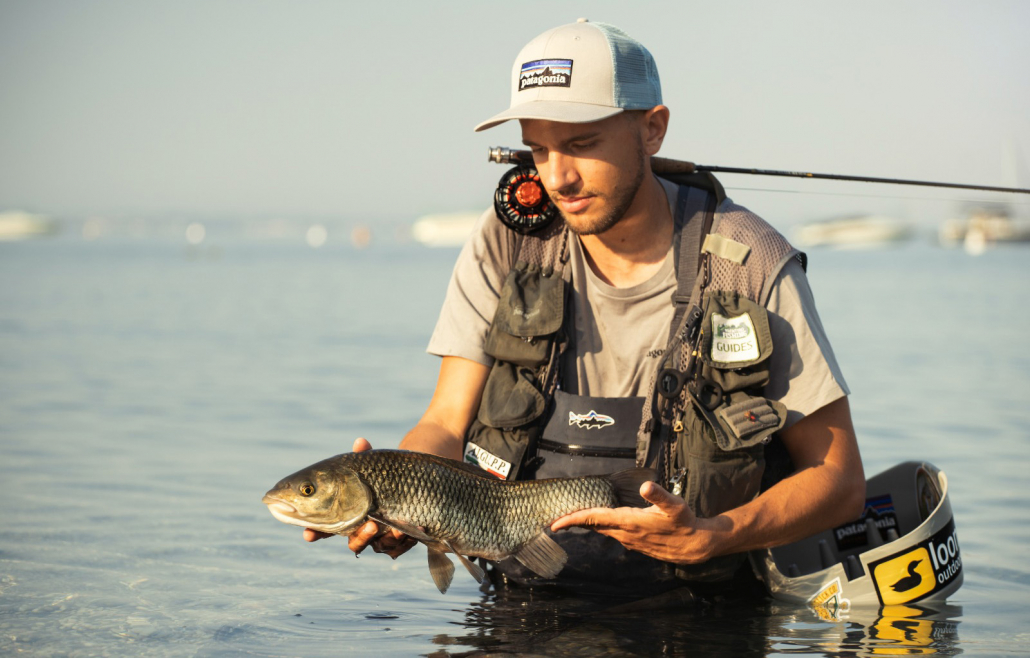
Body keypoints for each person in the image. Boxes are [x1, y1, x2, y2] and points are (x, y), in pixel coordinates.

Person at [306, 19, 865, 594]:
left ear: (653, 130)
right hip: (520, 605)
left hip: (701, 615)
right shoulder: (507, 241)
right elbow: (445, 424)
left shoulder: (749, 264)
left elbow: (841, 481)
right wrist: (394, 495)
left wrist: (715, 534)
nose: (558, 178)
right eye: (538, 149)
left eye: (581, 144)